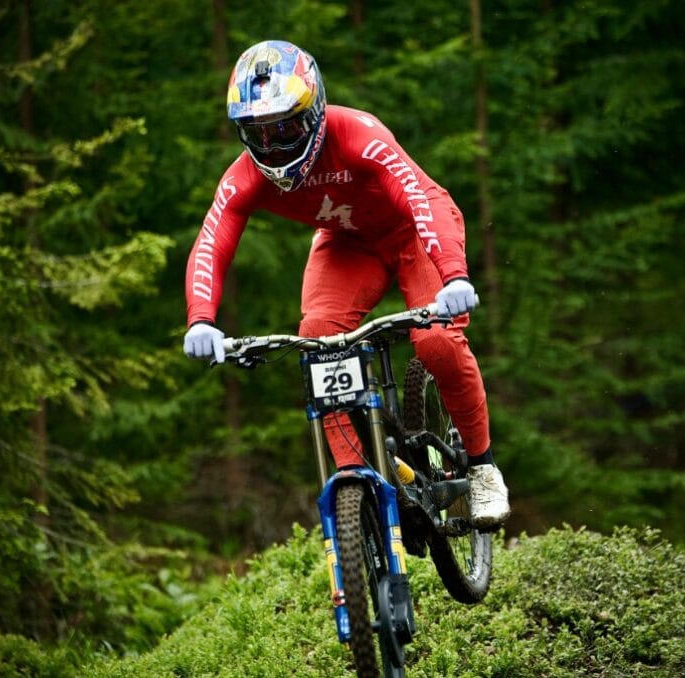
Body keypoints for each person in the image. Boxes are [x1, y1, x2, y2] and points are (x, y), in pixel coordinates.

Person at [182, 40, 509, 528]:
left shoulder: (357, 132)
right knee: (319, 340)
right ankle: (358, 481)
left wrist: (454, 275)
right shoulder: (246, 175)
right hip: (346, 244)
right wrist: (201, 319)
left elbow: (422, 198)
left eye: (286, 128)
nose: (272, 145)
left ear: (313, 112)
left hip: (413, 232)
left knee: (437, 341)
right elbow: (212, 239)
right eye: (258, 133)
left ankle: (482, 468)